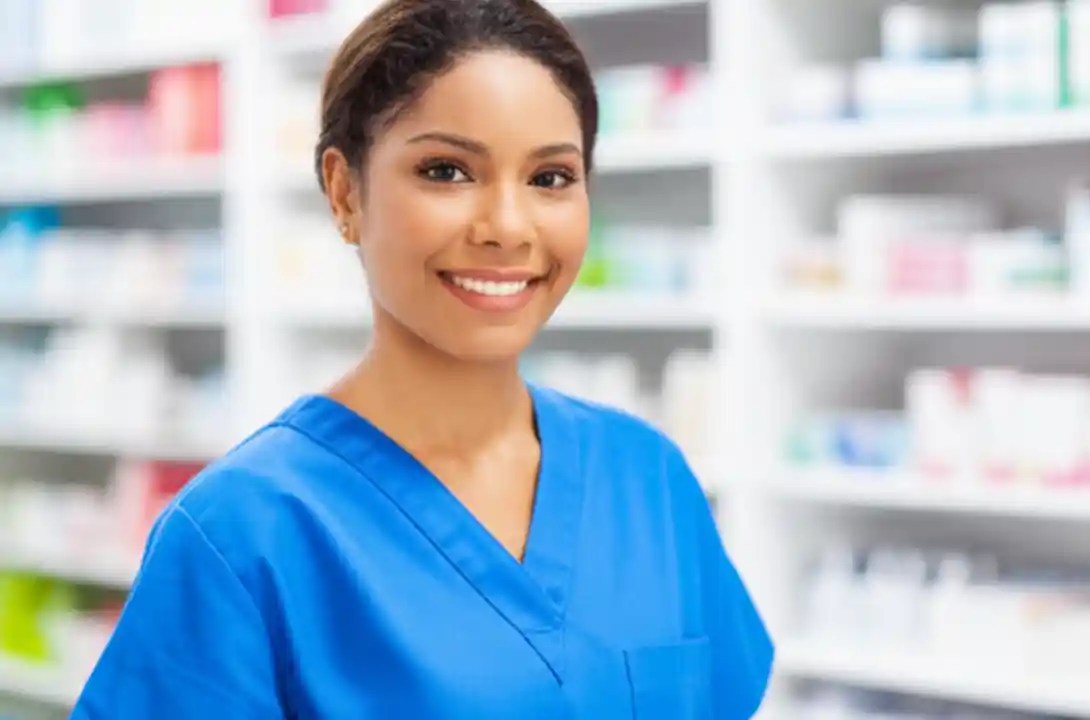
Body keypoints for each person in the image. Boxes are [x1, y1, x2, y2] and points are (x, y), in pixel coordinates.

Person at [69, 0, 773, 717]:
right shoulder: (240, 534)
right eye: (447, 170)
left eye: (551, 178)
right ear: (345, 191)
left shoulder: (646, 477)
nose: (507, 227)